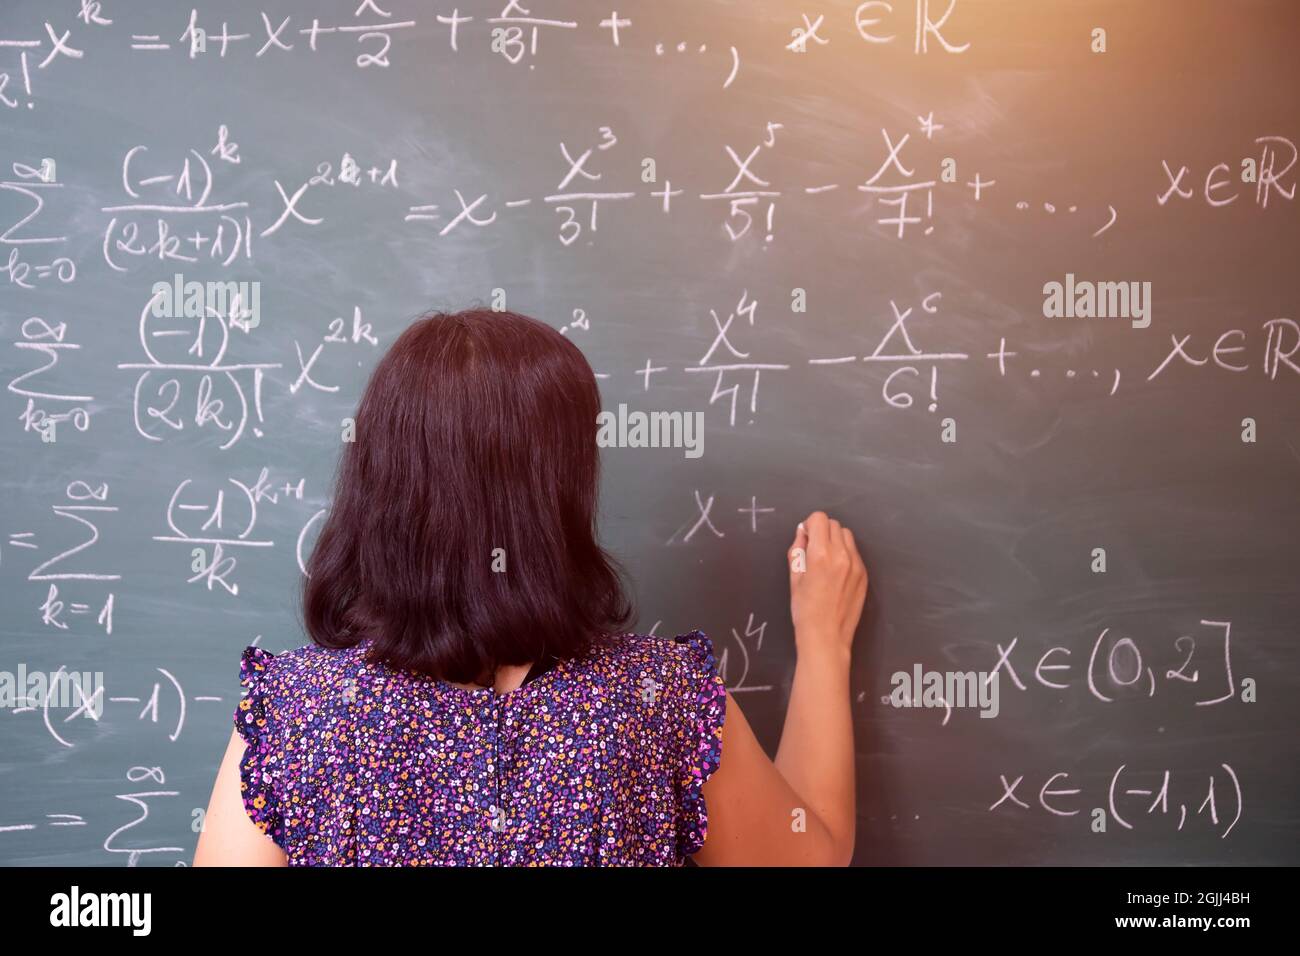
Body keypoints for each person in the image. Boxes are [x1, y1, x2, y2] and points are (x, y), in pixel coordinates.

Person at [193, 308, 866, 867]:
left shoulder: (294, 715)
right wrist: (824, 644)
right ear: (558, 492)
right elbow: (816, 855)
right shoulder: (659, 698)